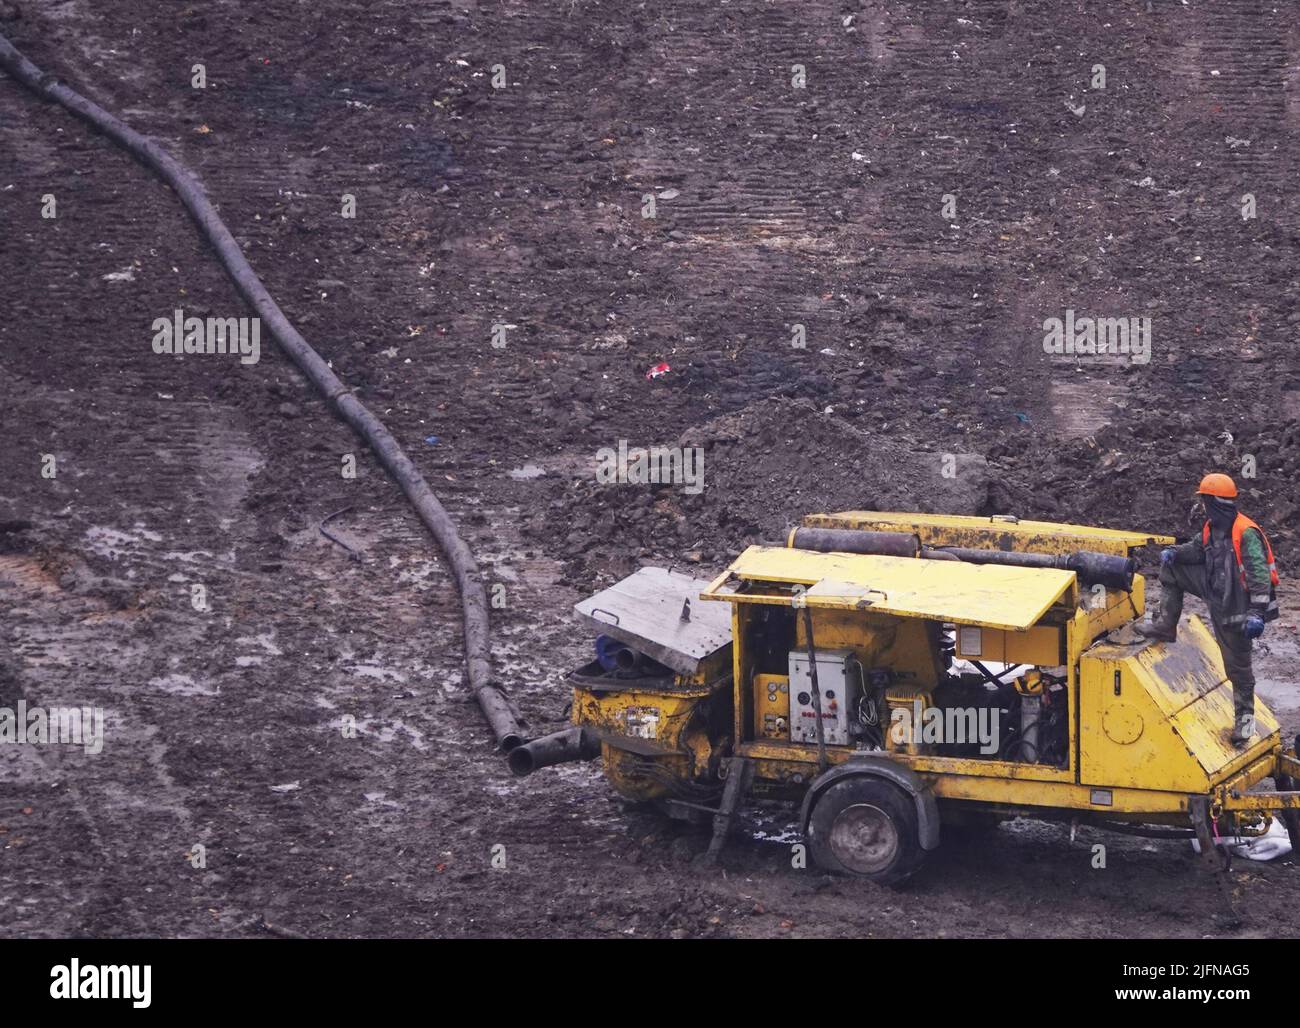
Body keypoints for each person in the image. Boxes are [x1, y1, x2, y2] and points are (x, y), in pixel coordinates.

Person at [1138, 472, 1279, 745]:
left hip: (1237, 607)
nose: (1202, 507)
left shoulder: (1245, 533)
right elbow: (1197, 550)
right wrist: (1176, 553)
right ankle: (1166, 624)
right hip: (1215, 591)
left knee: (1238, 669)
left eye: (1205, 501)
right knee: (1173, 570)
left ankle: (1245, 724)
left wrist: (1257, 614)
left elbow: (1259, 576)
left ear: (1216, 502)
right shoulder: (1211, 528)